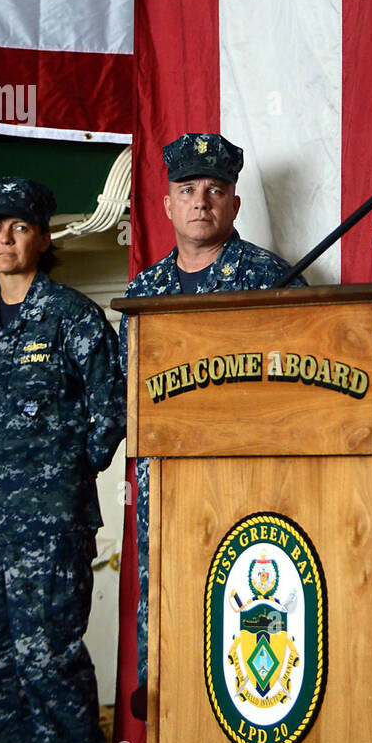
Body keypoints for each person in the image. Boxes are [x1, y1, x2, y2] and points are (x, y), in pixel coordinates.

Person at [119, 132, 306, 689]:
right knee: (169, 613)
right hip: (165, 489)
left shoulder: (271, 281)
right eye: (187, 189)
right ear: (168, 204)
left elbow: (297, 393)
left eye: (215, 189)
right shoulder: (143, 292)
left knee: (245, 614)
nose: (201, 200)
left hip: (245, 483)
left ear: (235, 203)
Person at [0, 177, 126, 743]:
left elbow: (111, 411)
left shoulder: (71, 316)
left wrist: (63, 472)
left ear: (43, 238)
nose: (5, 240)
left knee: (50, 656)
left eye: (18, 227)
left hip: (47, 523)